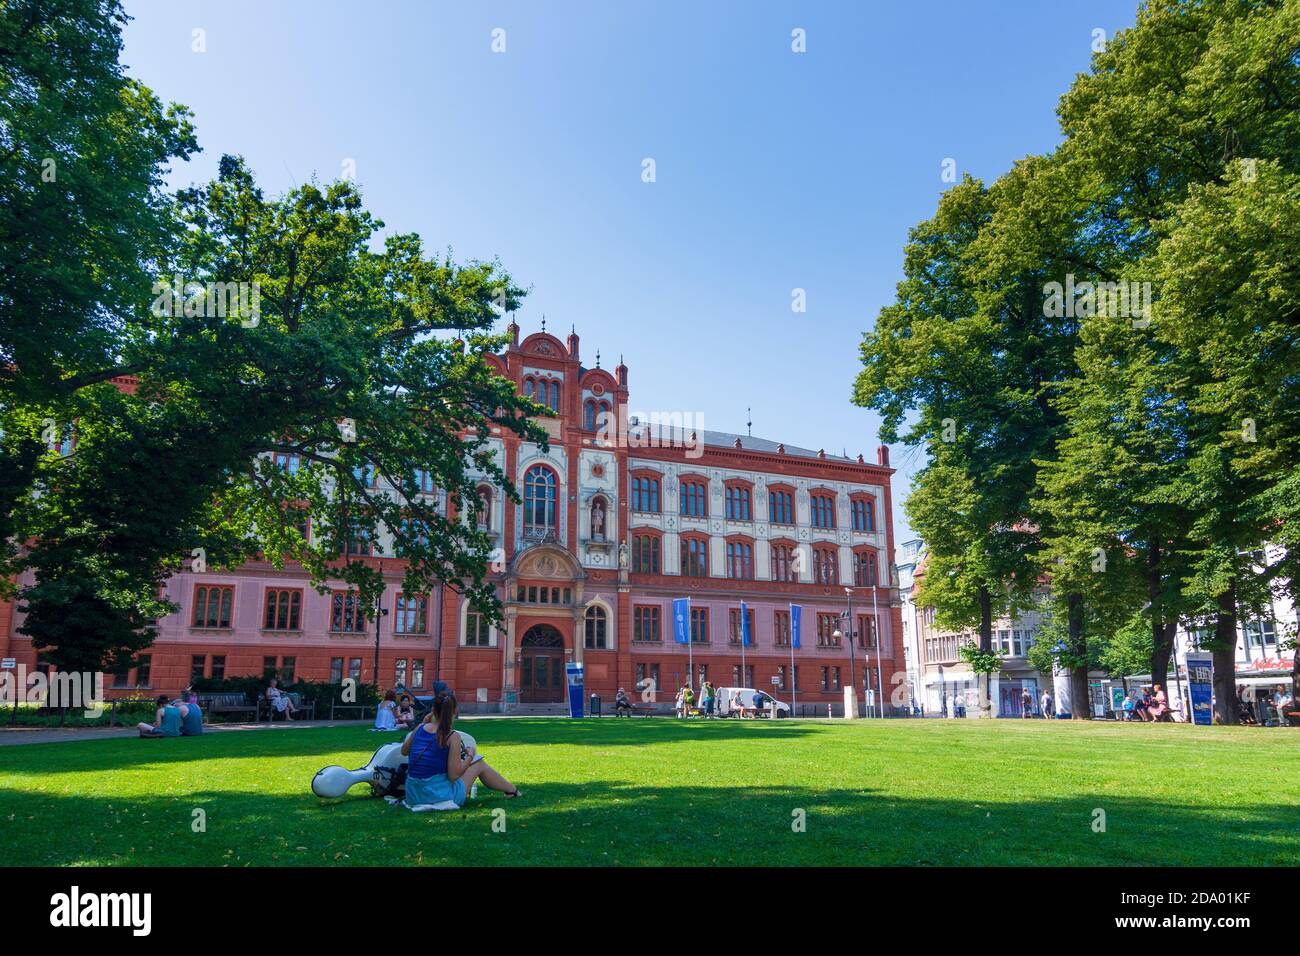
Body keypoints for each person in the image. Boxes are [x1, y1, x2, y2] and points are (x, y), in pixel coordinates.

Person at [400, 691, 518, 807]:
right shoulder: (452, 736)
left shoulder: (420, 728)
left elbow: (404, 751)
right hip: (437, 796)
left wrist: (423, 723)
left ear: (433, 710)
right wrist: (470, 755)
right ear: (455, 711)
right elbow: (453, 775)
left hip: (414, 794)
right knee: (479, 763)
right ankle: (512, 790)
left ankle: (511, 790)